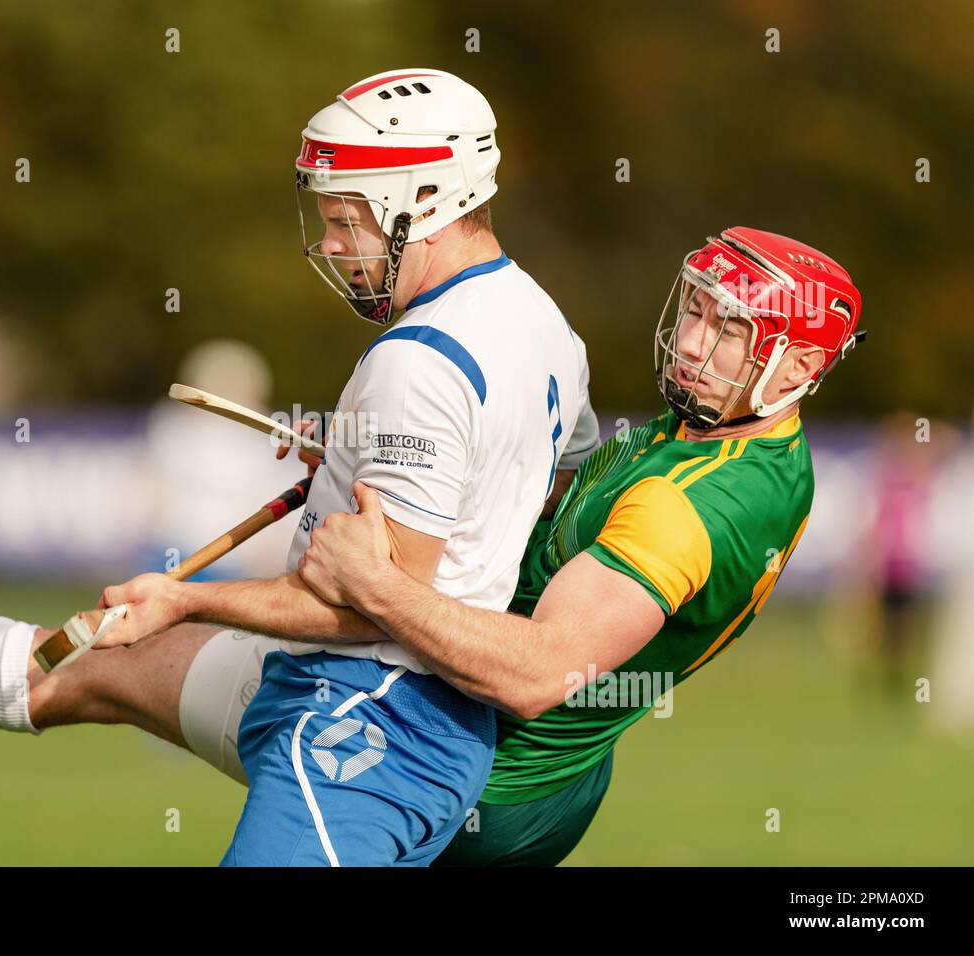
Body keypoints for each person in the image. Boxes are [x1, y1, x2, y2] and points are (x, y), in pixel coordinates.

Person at [0, 68, 598, 866]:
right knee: (81, 664)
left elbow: (374, 601)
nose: (330, 246)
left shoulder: (421, 361)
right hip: (346, 694)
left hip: (369, 726)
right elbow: (540, 481)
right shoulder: (548, 328)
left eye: (346, 218)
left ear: (427, 198)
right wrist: (368, 461)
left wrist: (185, 597)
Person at [283, 226, 867, 863]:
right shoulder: (733, 437)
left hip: (478, 775)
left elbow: (536, 674)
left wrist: (372, 580)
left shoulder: (691, 503)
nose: (693, 341)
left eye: (730, 331)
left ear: (801, 368)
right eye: (695, 310)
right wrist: (388, 457)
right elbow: (537, 499)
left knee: (175, 631)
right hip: (551, 768)